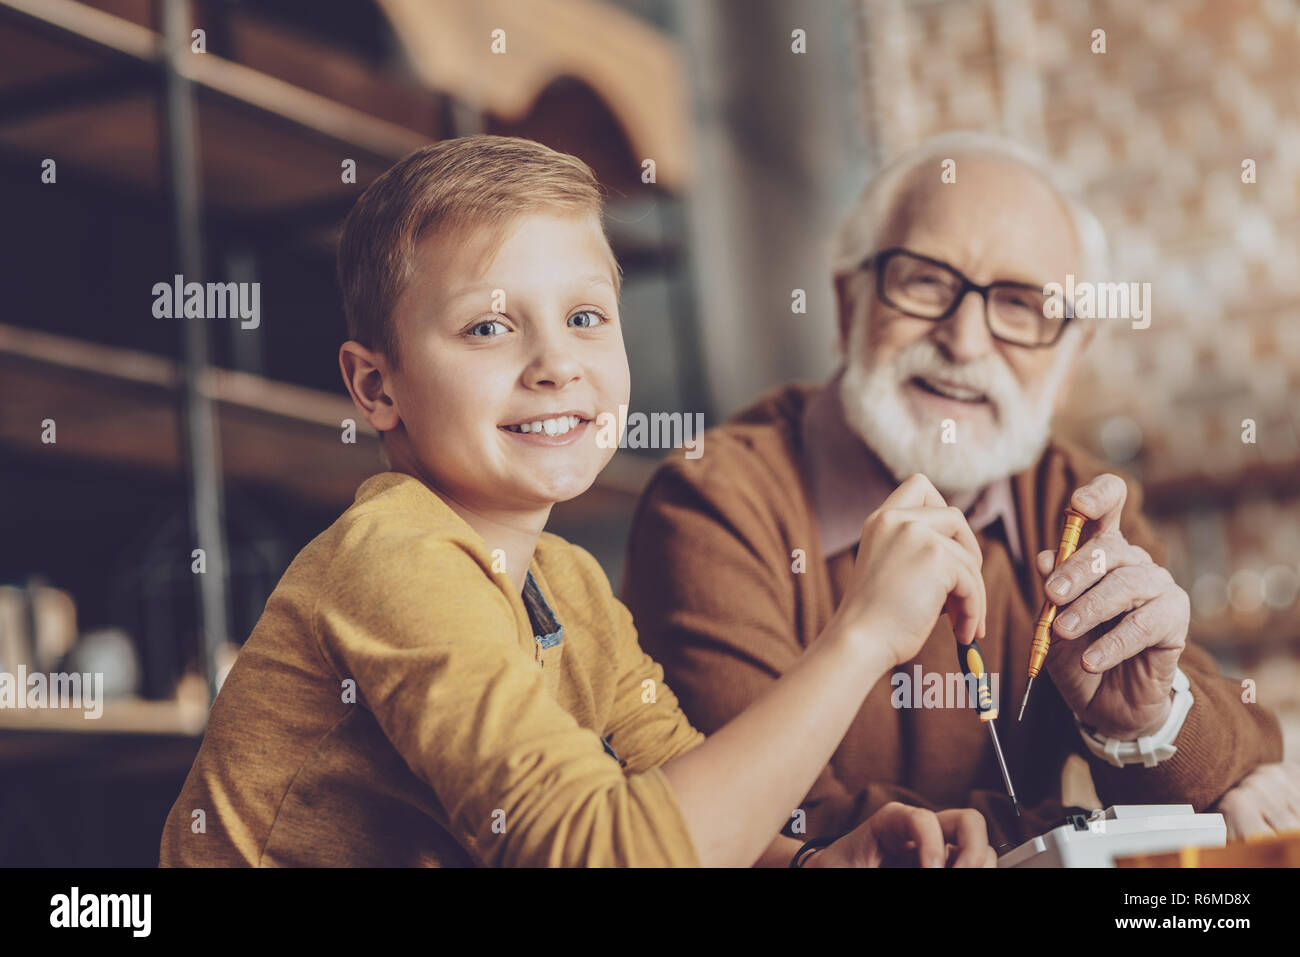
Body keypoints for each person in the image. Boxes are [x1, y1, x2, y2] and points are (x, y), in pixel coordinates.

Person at [158, 134, 1000, 868]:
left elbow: (671, 801)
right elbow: (607, 855)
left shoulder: (568, 582)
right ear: (377, 387)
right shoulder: (393, 558)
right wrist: (860, 637)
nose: (556, 364)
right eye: (489, 328)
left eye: (587, 316)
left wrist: (812, 860)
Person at [622, 131, 1289, 850]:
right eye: (926, 282)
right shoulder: (712, 501)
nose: (965, 340)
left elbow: (1247, 750)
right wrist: (1082, 830)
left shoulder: (1076, 499)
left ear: (1069, 361)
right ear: (850, 306)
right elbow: (769, 828)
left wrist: (1145, 720)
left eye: (1021, 304)